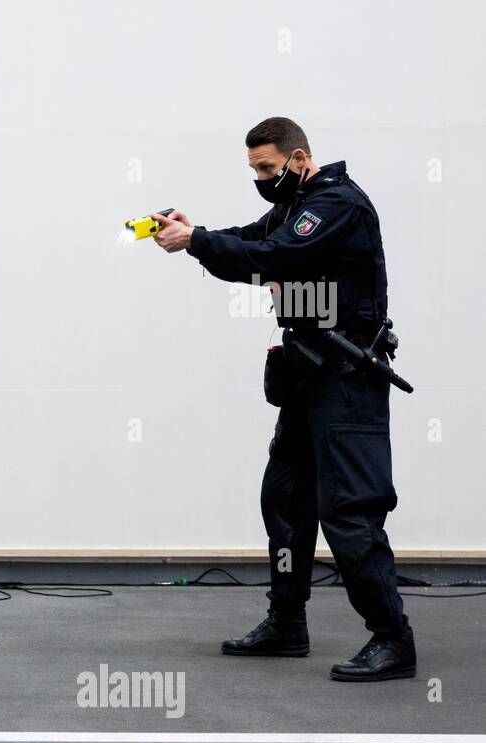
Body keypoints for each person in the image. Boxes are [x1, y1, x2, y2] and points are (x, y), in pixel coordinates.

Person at [150, 117, 415, 681]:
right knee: (286, 500)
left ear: (298, 158)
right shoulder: (294, 206)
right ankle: (286, 624)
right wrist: (194, 235)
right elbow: (254, 244)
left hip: (347, 378)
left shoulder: (336, 203)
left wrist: (196, 242)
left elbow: (274, 257)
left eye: (267, 168)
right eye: (253, 170)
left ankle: (393, 639)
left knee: (350, 510)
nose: (261, 178)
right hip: (307, 376)